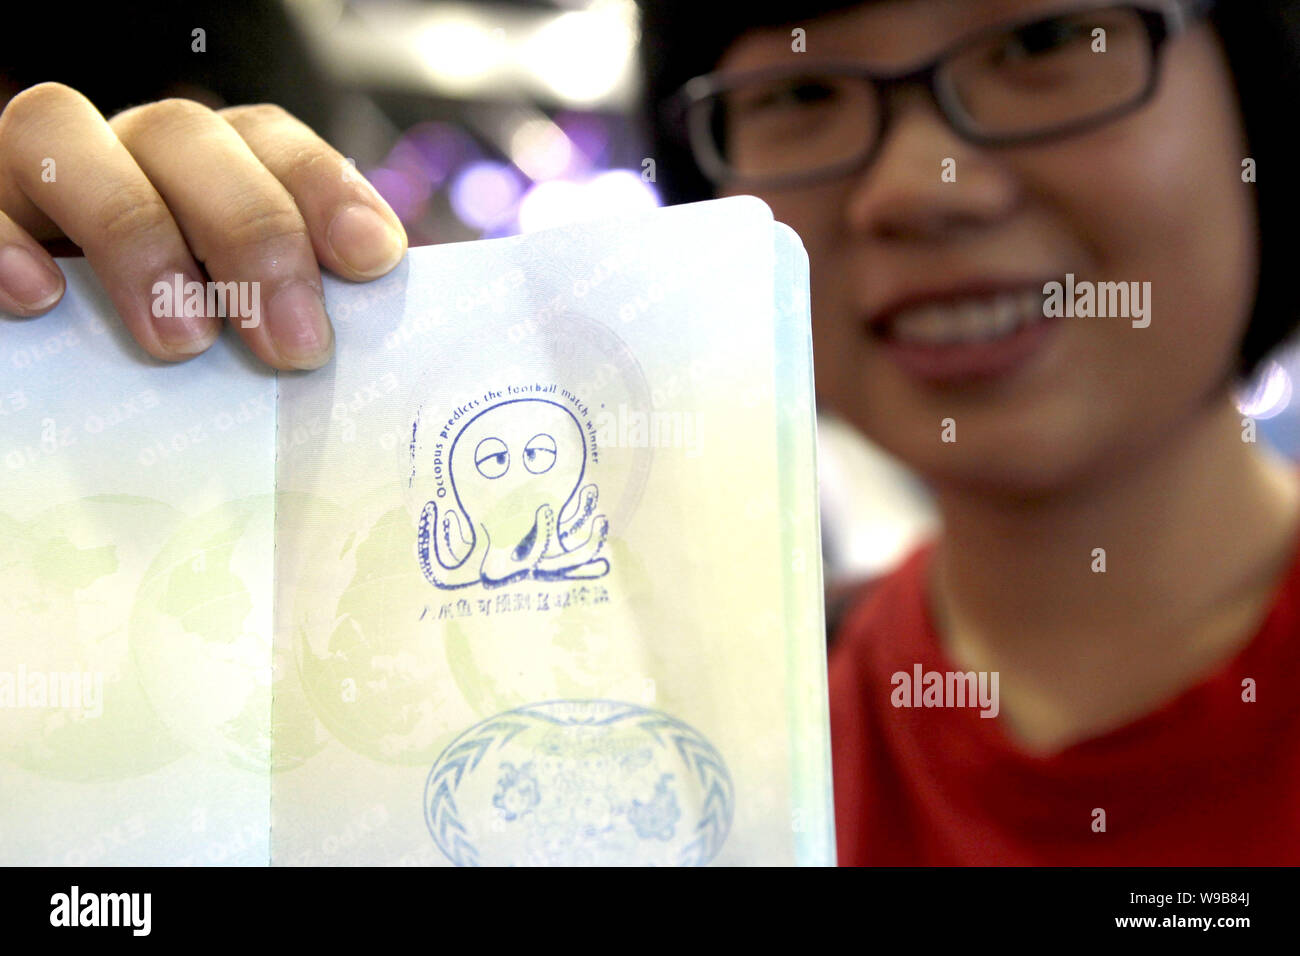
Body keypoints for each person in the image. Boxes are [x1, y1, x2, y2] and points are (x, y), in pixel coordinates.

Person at [2, 0, 1298, 864]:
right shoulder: (649, 736)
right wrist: (74, 400)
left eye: (1045, 41)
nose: (917, 187)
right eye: (802, 91)